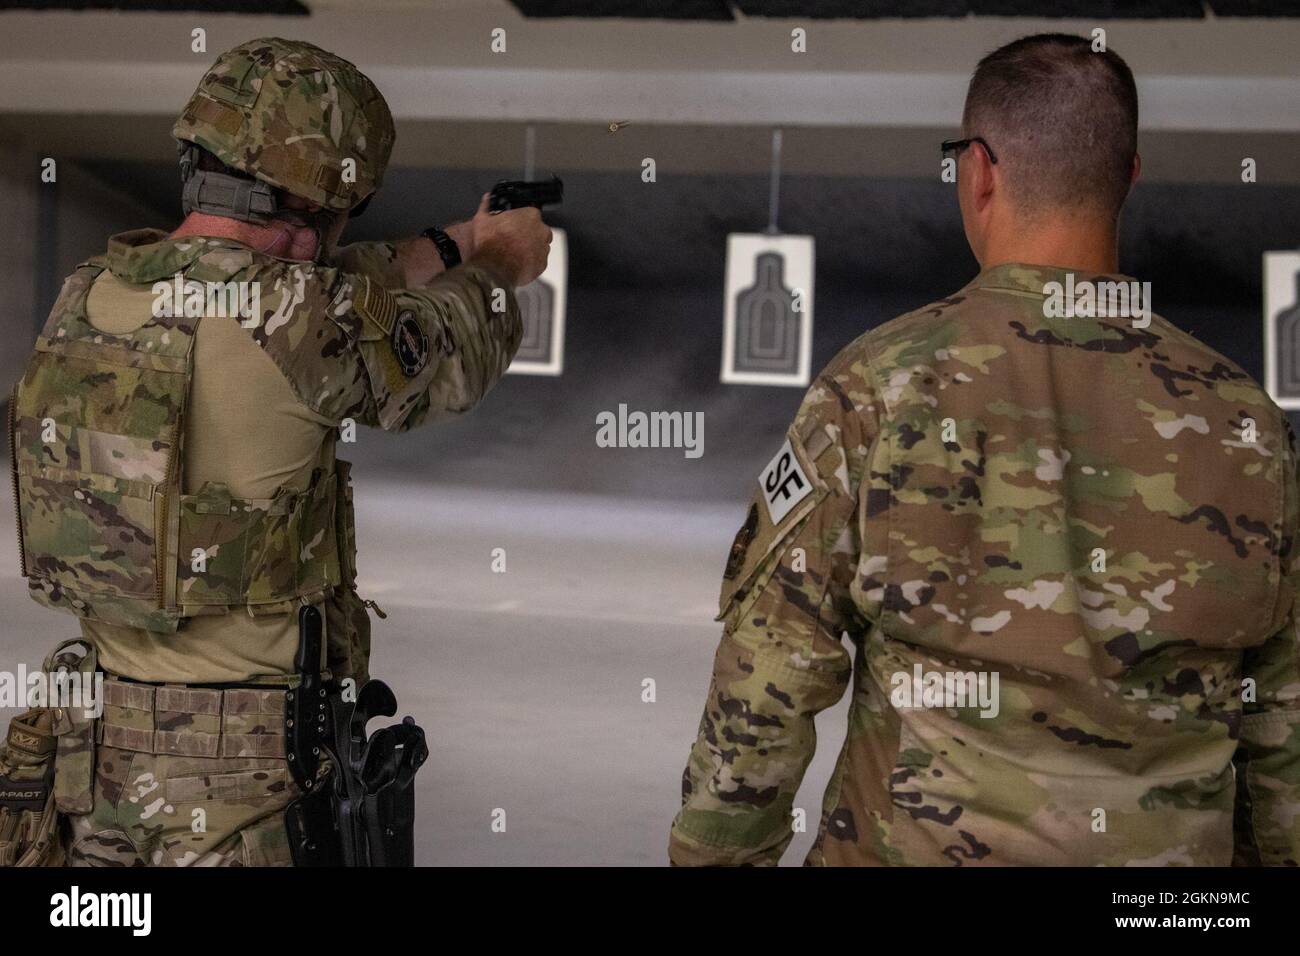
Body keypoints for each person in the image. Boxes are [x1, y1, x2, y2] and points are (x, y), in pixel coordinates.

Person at [668, 33, 1300, 866]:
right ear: (1128, 178)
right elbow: (1282, 729)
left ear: (980, 172)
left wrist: (713, 856)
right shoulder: (1247, 420)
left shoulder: (880, 385)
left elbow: (771, 674)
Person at [7, 37, 550, 866]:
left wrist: (459, 238)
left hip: (94, 760)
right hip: (242, 785)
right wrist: (499, 270)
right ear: (322, 199)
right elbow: (450, 354)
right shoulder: (301, 321)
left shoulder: (90, 294)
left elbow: (326, 287)